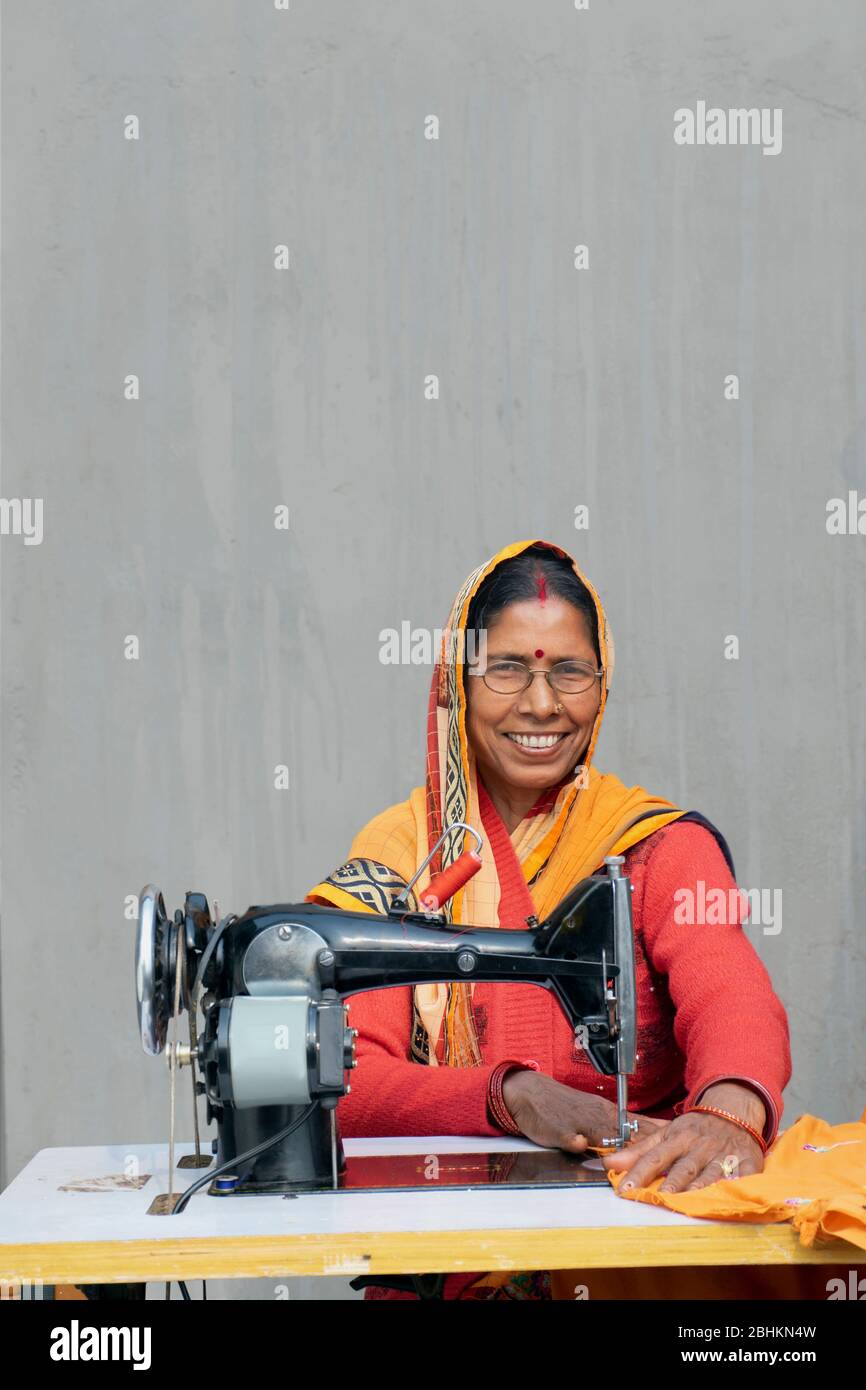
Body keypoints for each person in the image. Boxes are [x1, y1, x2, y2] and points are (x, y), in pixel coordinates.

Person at [306, 538, 801, 1300]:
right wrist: (509, 1097)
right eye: (507, 669)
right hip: (444, 1255)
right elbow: (349, 1083)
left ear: (603, 688)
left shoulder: (657, 845)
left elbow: (731, 993)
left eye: (569, 671)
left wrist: (731, 1110)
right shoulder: (399, 855)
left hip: (631, 1251)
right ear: (456, 686)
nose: (541, 704)